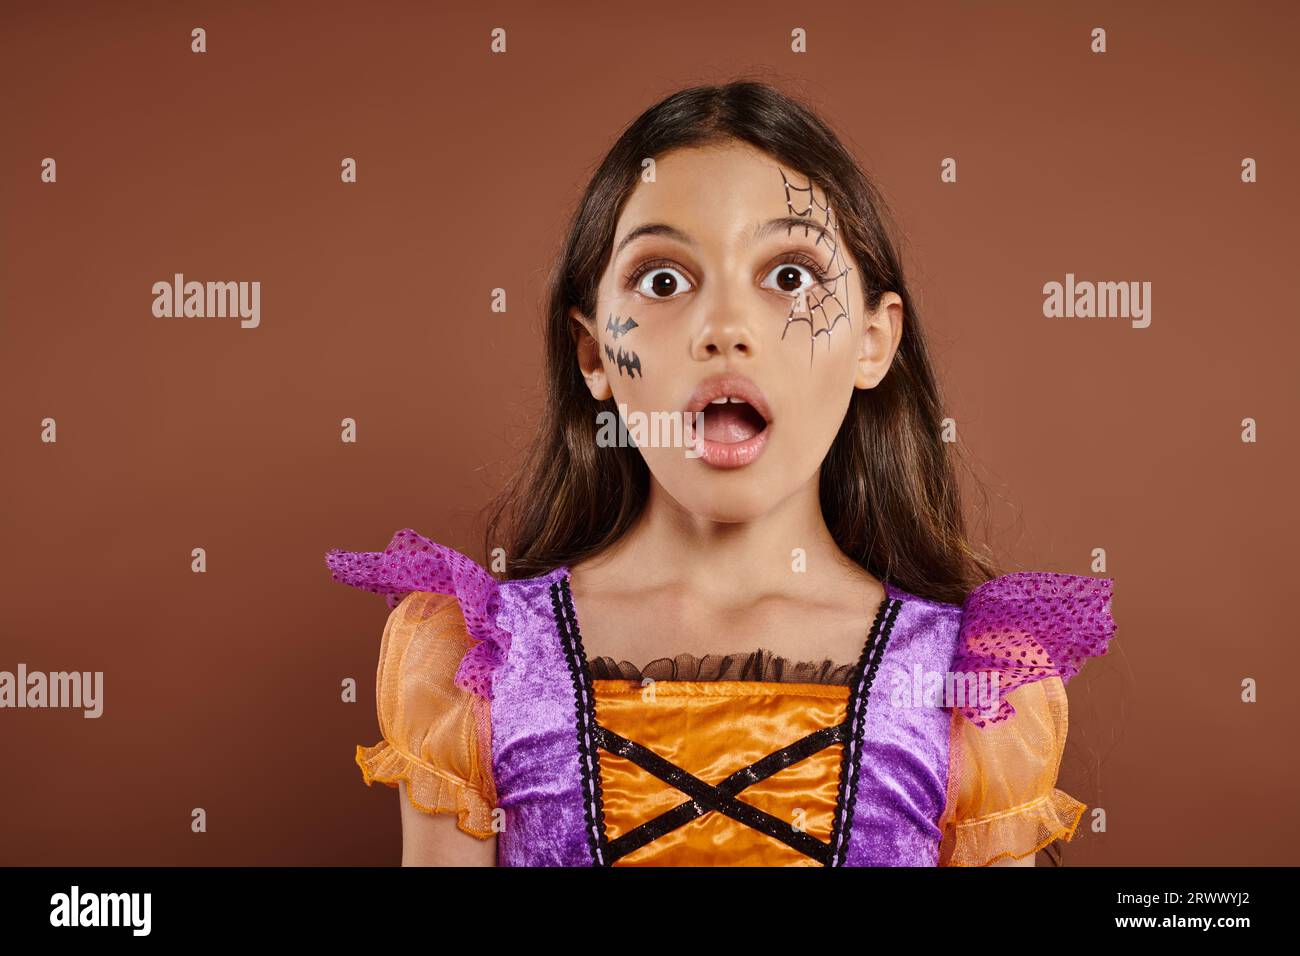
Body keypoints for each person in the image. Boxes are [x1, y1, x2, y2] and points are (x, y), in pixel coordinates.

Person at [326, 80, 1116, 867]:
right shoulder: (477, 664)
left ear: (873, 341)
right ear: (594, 353)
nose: (726, 329)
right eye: (663, 280)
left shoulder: (968, 679)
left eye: (791, 276)